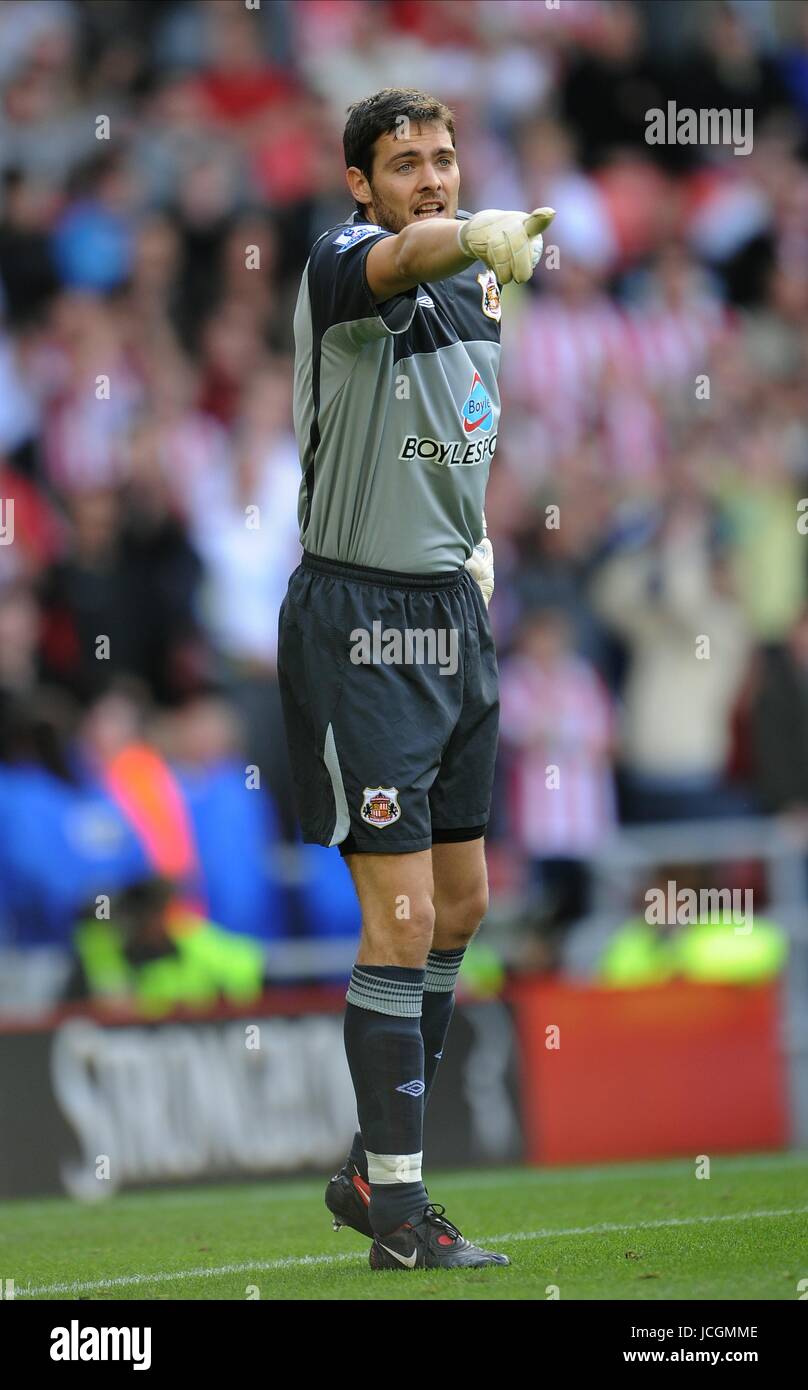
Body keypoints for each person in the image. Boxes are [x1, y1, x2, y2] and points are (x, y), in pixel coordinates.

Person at [277, 87, 552, 1271]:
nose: (431, 178)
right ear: (361, 183)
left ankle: (364, 1165)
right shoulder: (349, 263)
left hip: (453, 611)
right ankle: (398, 1211)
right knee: (392, 921)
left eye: (444, 159)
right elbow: (407, 256)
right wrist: (475, 225)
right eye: (405, 164)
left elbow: (452, 426)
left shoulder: (482, 288)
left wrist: (470, 535)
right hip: (361, 622)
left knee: (458, 908)